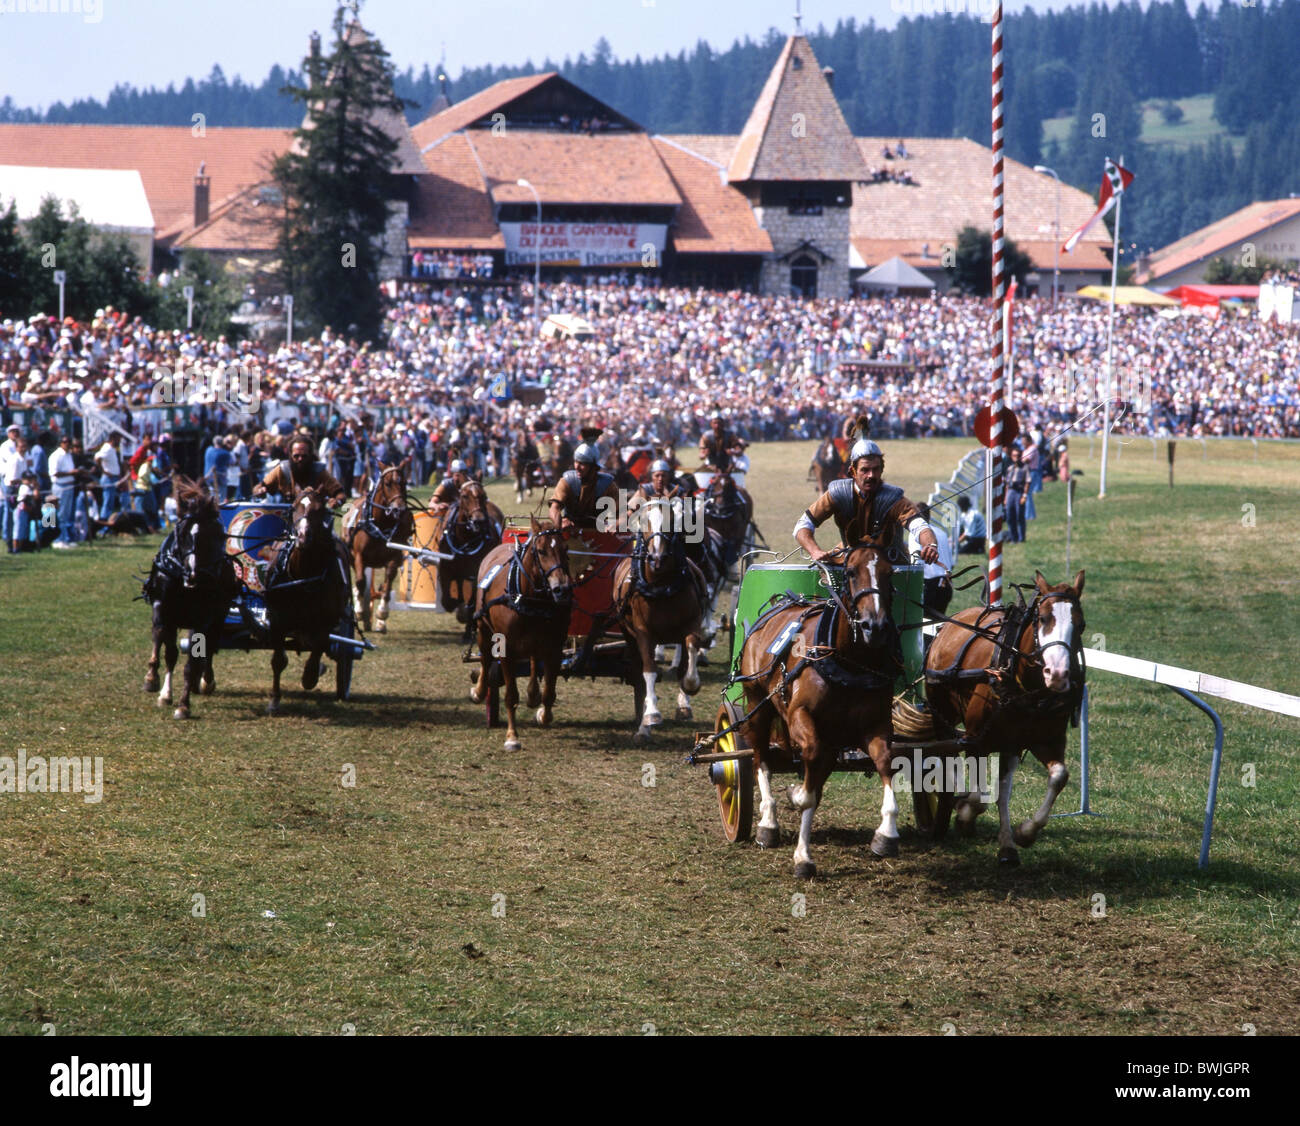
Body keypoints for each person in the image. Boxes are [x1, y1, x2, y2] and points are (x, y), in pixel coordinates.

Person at [794, 432, 940, 565]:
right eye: (865, 470)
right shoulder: (837, 493)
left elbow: (920, 527)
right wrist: (815, 551)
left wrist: (930, 545)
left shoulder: (894, 499)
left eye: (875, 469)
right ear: (853, 471)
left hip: (892, 567)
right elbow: (803, 526)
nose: (871, 475)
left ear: (881, 470)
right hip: (849, 562)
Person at [253, 434, 348, 507]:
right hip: (287, 519)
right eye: (296, 456)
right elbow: (259, 487)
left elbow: (340, 493)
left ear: (310, 455)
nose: (300, 459)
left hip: (314, 520)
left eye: (304, 456)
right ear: (290, 455)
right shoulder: (282, 469)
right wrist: (260, 491)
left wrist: (337, 501)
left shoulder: (320, 472)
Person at [549, 437, 619, 532]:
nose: (577, 467)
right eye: (576, 462)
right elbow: (554, 507)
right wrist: (559, 524)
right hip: (572, 532)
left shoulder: (608, 484)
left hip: (602, 534)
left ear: (594, 466)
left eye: (582, 463)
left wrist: (615, 524)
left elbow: (623, 513)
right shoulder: (567, 481)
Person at [916, 503, 954, 617]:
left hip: (929, 586)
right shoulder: (942, 533)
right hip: (946, 584)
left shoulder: (917, 535)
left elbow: (916, 563)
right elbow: (950, 561)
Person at [93, 432, 128, 529]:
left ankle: (111, 525)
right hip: (108, 478)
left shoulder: (115, 449)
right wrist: (104, 471)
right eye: (118, 439)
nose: (119, 441)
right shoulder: (107, 448)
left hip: (116, 477)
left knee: (113, 502)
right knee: (107, 502)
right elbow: (97, 458)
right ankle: (103, 526)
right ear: (113, 438)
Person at [1004, 446, 1029, 543]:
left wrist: (1024, 496)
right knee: (1010, 516)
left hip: (1019, 491)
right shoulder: (1010, 468)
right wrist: (1005, 498)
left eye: (1018, 456)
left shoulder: (1024, 468)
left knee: (1019, 516)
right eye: (1014, 455)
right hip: (1010, 492)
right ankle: (1013, 537)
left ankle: (1021, 537)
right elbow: (1007, 484)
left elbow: (1027, 482)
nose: (1016, 457)